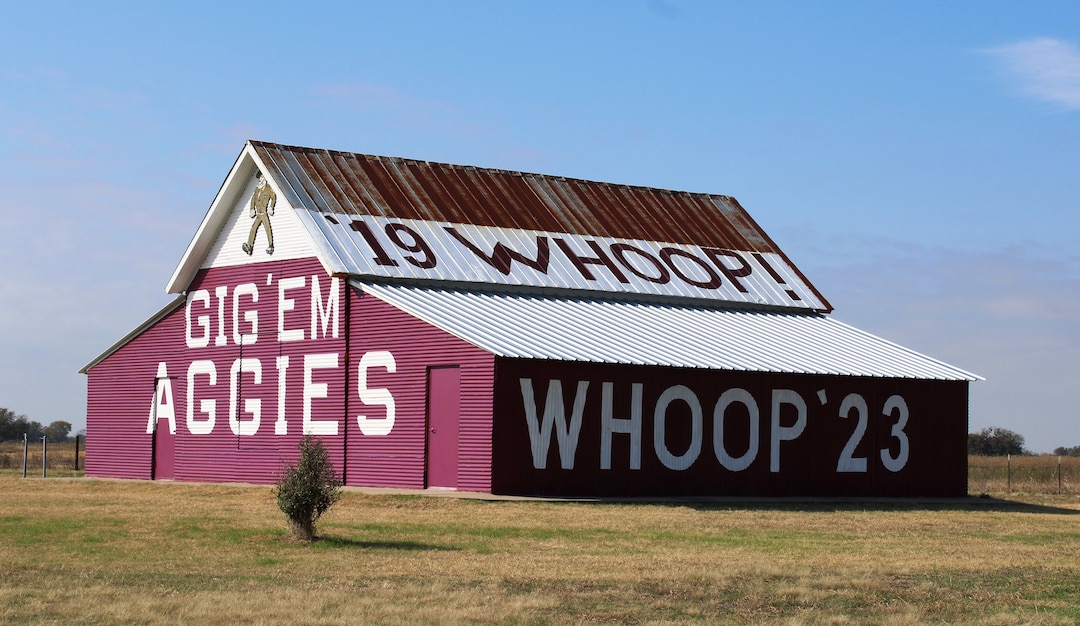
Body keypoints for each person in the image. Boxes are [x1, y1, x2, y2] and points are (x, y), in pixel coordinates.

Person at [242, 171, 276, 255]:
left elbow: (273, 197)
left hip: (264, 213)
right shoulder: (257, 189)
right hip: (258, 213)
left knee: (267, 228)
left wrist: (271, 207)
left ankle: (270, 245)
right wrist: (251, 209)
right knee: (253, 228)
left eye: (262, 177)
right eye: (260, 178)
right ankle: (249, 246)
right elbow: (253, 199)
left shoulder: (268, 188)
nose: (261, 179)